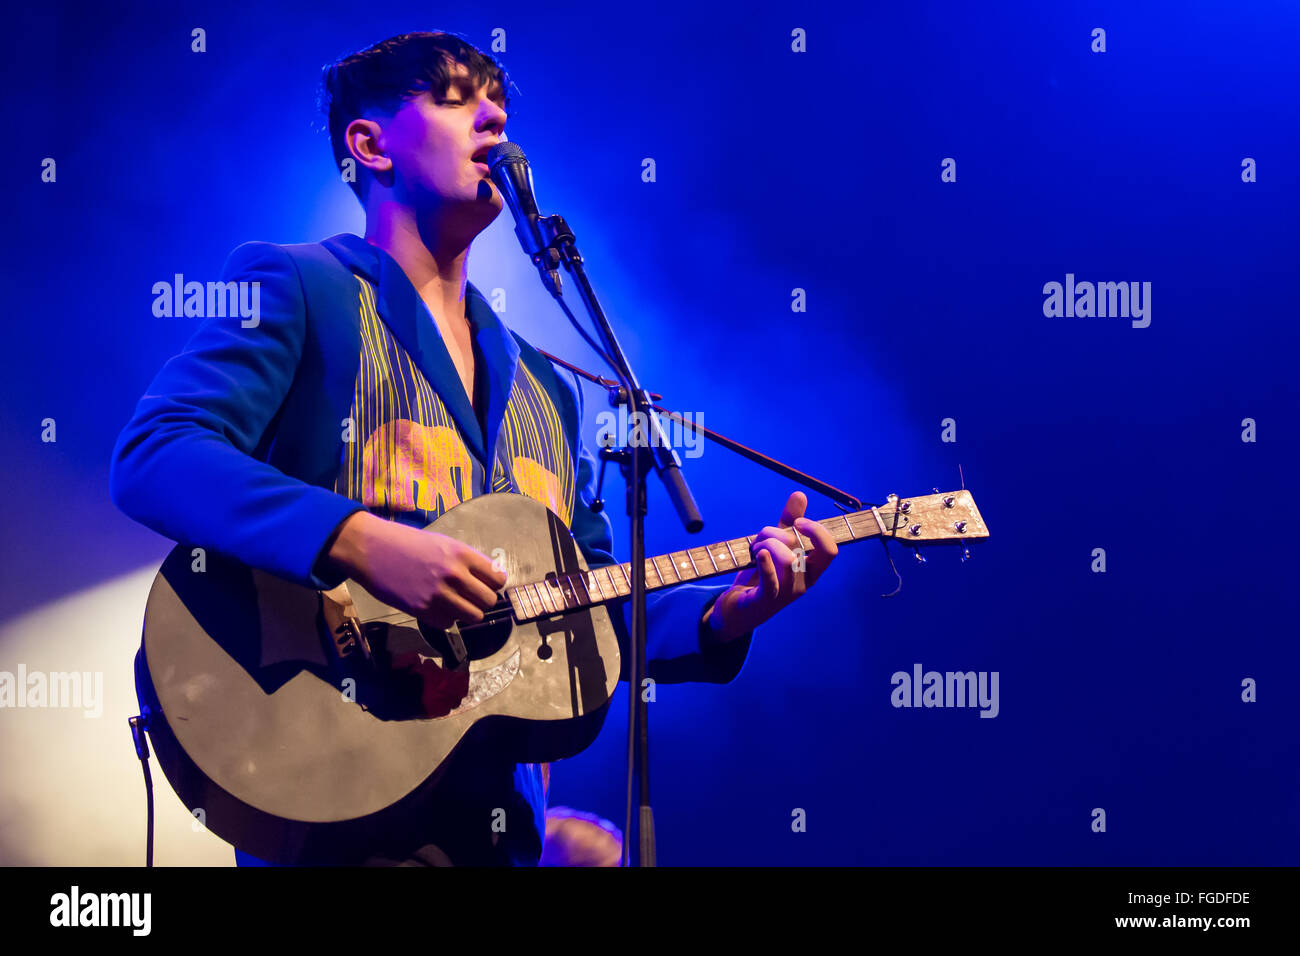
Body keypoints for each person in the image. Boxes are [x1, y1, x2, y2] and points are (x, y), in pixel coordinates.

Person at [110, 30, 838, 866]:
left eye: (497, 100)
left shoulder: (547, 386)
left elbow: (582, 609)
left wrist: (725, 613)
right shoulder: (299, 286)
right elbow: (157, 452)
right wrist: (360, 540)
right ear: (369, 143)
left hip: (498, 824)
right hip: (334, 779)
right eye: (454, 96)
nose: (494, 116)